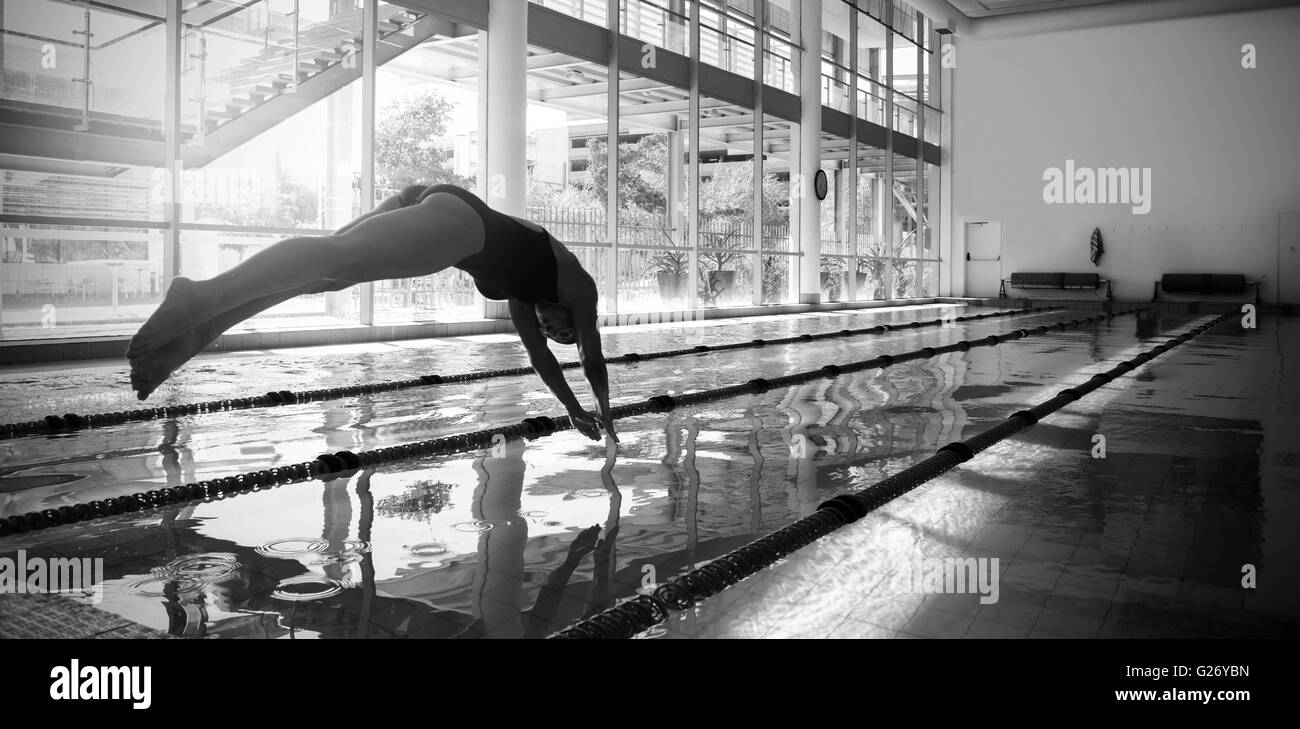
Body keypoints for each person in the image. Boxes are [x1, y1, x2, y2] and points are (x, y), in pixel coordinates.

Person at [126, 183, 617, 442]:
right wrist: (605, 411)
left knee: (324, 276)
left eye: (558, 335)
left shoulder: (522, 297)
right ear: (575, 318)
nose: (556, 333)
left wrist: (573, 413)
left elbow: (540, 362)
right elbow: (591, 360)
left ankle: (204, 328)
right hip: (460, 221)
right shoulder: (575, 282)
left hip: (433, 206)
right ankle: (200, 297)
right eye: (565, 332)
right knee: (335, 256)